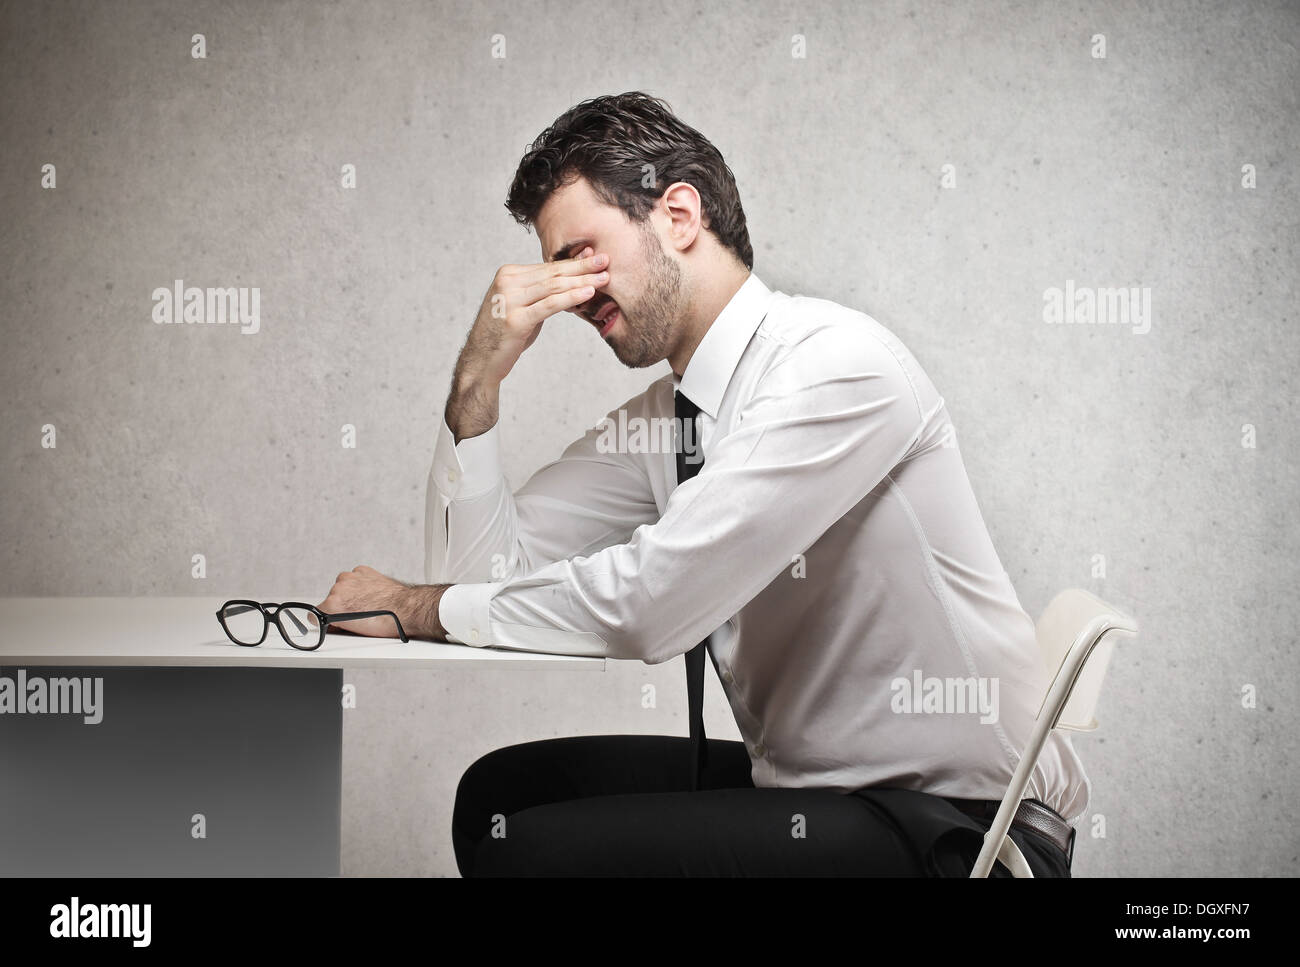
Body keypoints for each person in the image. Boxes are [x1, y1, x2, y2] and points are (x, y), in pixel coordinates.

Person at [318, 91, 1087, 877]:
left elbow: (650, 606)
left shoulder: (836, 365)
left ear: (678, 215)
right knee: (499, 799)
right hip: (816, 799)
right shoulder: (671, 418)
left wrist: (413, 606)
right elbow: (482, 583)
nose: (572, 293)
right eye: (555, 267)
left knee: (542, 856)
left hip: (968, 833)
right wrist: (477, 381)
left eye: (582, 251)